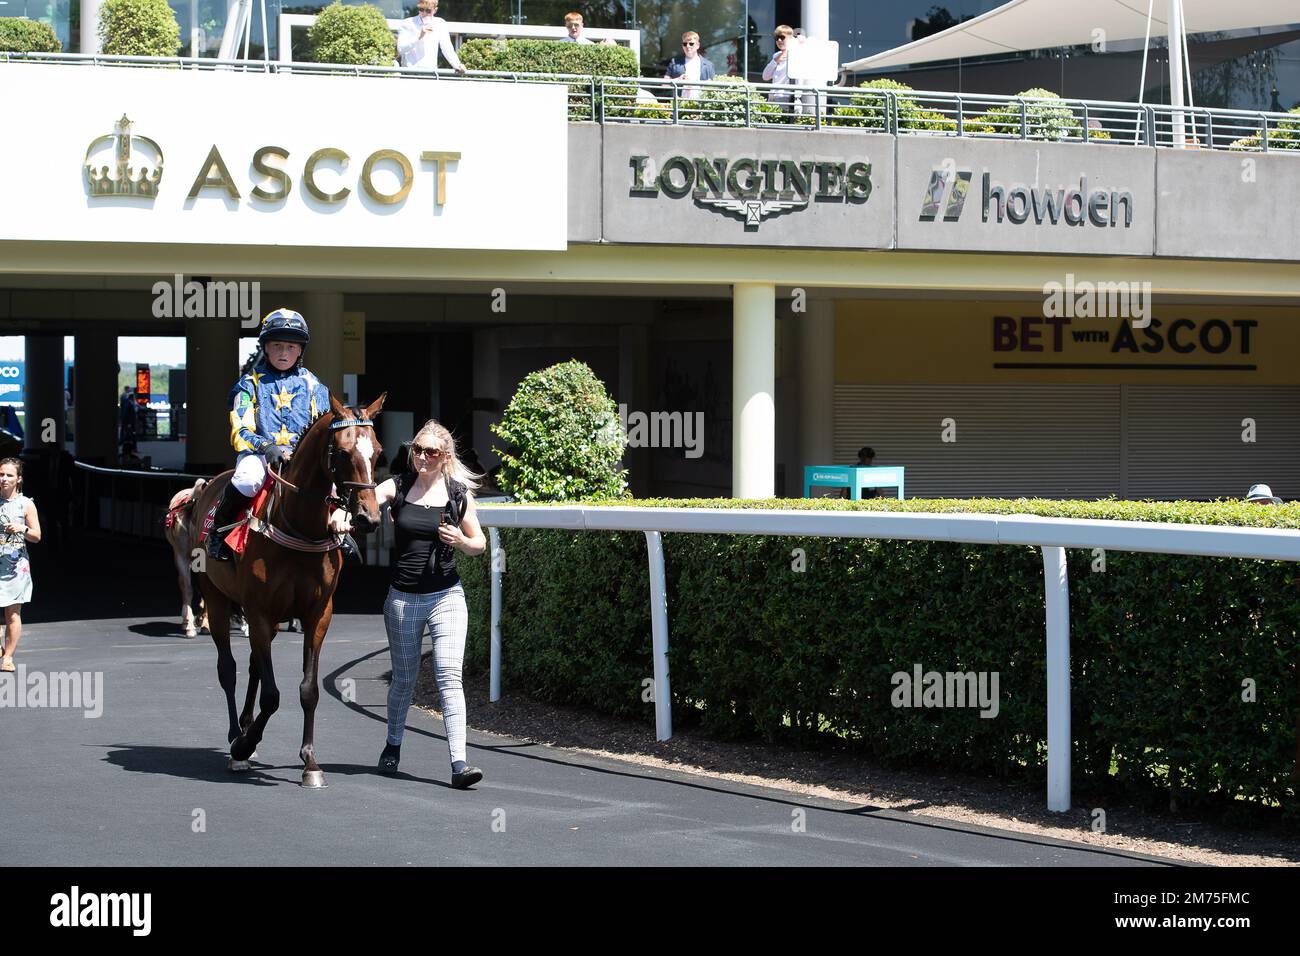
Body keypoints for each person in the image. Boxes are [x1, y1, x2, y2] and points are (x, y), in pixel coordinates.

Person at [341, 418, 487, 789]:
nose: (422, 456)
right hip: (403, 599)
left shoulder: (457, 494)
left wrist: (459, 539)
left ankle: (459, 763)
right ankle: (393, 744)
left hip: (447, 595)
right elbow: (368, 498)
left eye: (430, 452)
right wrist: (342, 519)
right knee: (404, 680)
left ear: (445, 456)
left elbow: (479, 544)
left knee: (448, 676)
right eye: (416, 450)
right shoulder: (400, 485)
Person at [206, 308, 333, 563]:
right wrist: (267, 448)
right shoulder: (247, 384)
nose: (283, 352)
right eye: (277, 345)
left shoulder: (315, 386)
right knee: (247, 479)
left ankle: (342, 534)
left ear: (300, 350)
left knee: (336, 481)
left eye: (290, 346)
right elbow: (240, 431)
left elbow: (323, 429)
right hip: (260, 455)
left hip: (301, 459)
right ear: (265, 348)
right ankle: (217, 533)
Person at [0, 457, 40, 673]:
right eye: (1, 474)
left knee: (12, 613)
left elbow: (37, 536)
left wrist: (21, 529)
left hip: (15, 566)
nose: (4, 479)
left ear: (19, 479)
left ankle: (8, 657)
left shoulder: (26, 504)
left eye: (9, 475)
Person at [397, 0, 467, 73]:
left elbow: (446, 47)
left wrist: (457, 65)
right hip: (410, 73)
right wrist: (419, 36)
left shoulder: (440, 23)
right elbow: (401, 49)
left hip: (430, 73)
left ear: (435, 10)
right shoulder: (408, 23)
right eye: (421, 10)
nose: (424, 13)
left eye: (428, 11)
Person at [664, 31, 715, 100]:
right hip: (679, 105)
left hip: (701, 105)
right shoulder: (675, 62)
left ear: (698, 45)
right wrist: (677, 80)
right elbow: (664, 85)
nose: (688, 46)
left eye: (691, 44)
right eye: (685, 44)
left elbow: (713, 88)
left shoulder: (708, 65)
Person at [762, 25, 798, 111]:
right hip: (773, 98)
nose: (779, 40)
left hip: (788, 98)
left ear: (790, 39)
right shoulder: (776, 55)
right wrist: (776, 61)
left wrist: (798, 41)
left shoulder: (796, 54)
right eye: (777, 38)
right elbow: (765, 76)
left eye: (782, 37)